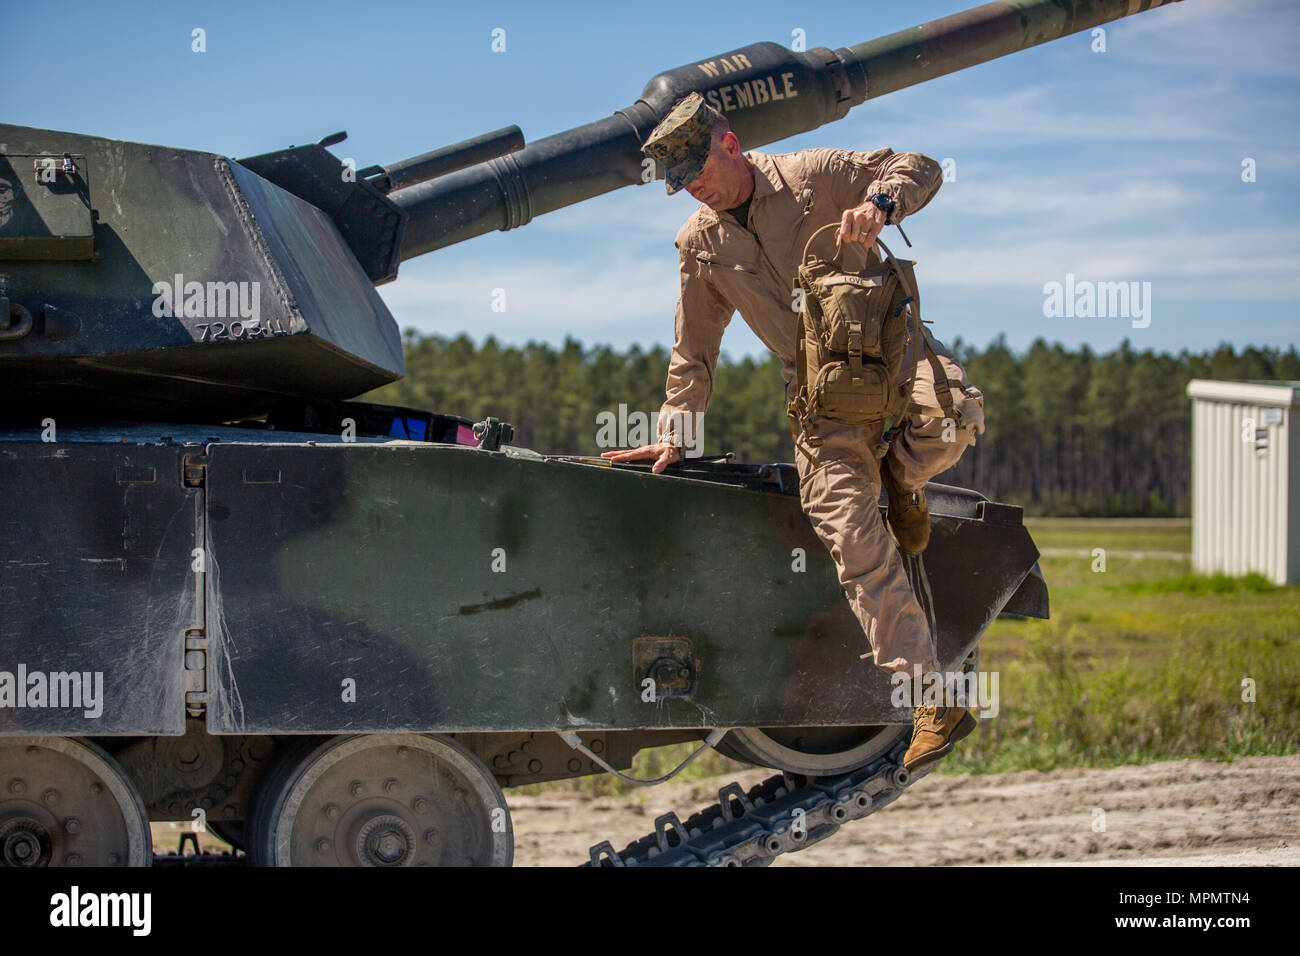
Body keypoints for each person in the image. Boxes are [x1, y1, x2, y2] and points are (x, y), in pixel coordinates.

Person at [601, 93, 987, 771]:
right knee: (843, 521)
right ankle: (932, 697)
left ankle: (900, 476)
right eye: (680, 182)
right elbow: (693, 349)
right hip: (818, 393)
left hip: (892, 350)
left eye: (699, 169)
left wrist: (883, 203)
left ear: (730, 143)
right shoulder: (701, 243)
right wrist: (675, 432)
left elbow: (919, 166)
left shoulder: (816, 174)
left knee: (954, 420)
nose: (694, 188)